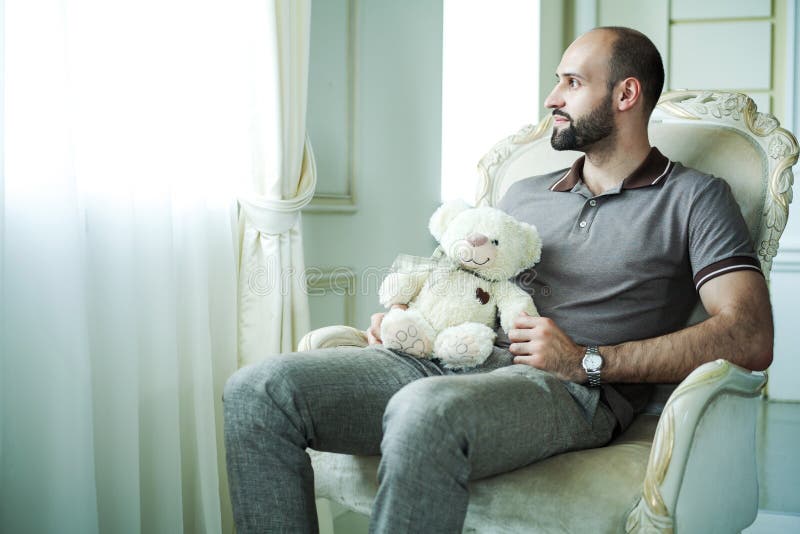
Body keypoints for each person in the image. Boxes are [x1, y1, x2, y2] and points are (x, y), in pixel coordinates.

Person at [223, 26, 773, 533]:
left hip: (568, 389)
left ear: (626, 95)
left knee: (425, 411)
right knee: (258, 391)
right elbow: (463, 281)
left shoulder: (696, 198)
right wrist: (411, 318)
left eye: (572, 82)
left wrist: (587, 360)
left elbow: (749, 335)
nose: (551, 97)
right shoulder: (525, 193)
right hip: (449, 358)